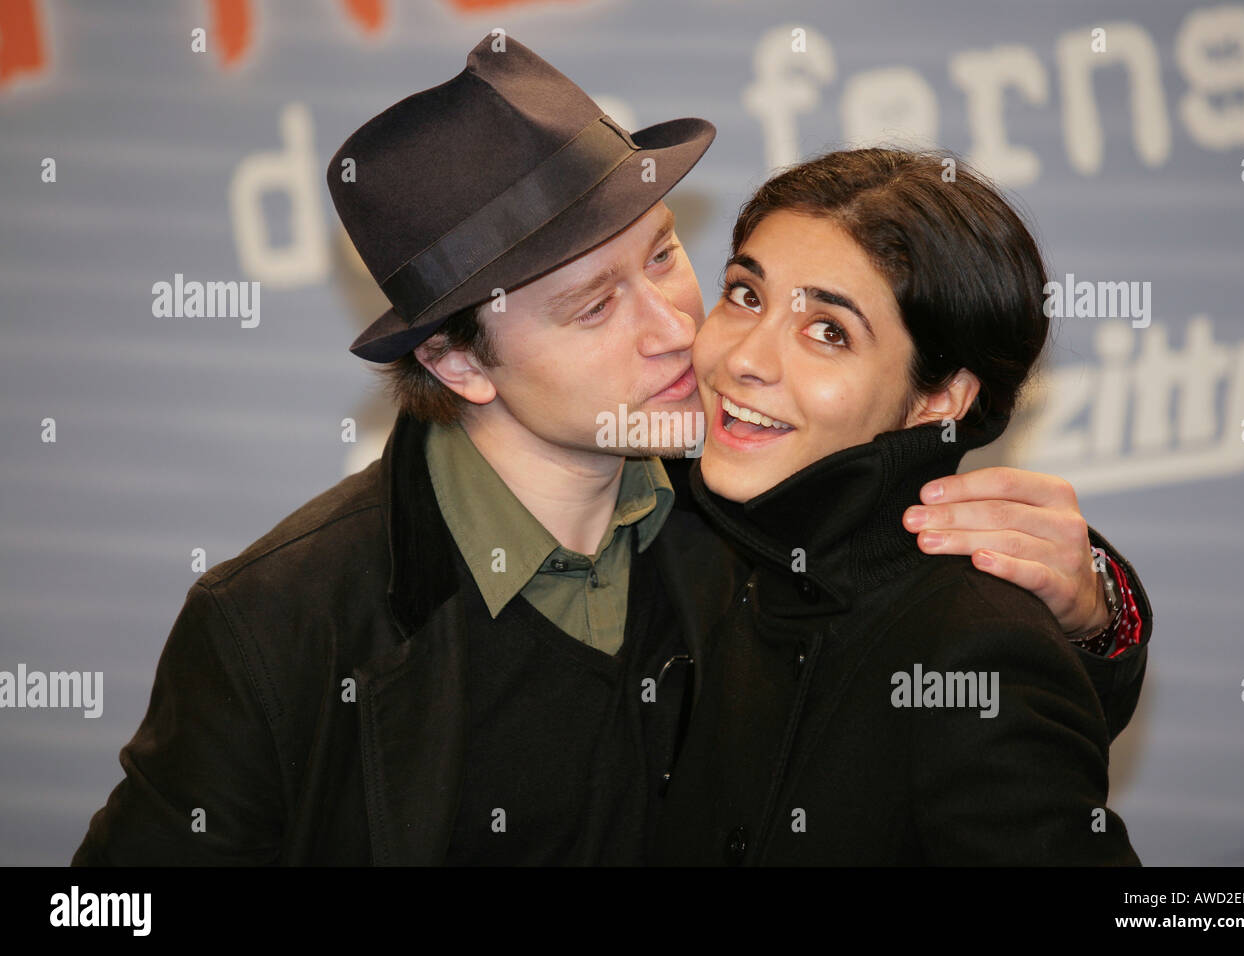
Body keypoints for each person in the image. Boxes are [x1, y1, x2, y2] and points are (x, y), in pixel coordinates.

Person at [71, 35, 1149, 866]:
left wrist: (1098, 600)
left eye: (669, 255)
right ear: (460, 365)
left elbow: (945, 674)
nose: (681, 328)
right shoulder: (279, 620)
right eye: (594, 308)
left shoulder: (750, 501)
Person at [652, 148, 1145, 866]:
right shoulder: (665, 513)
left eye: (829, 331)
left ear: (939, 398)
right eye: (746, 295)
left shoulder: (974, 643)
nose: (744, 360)